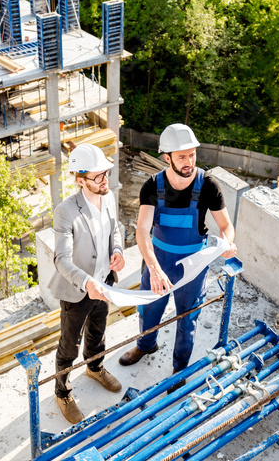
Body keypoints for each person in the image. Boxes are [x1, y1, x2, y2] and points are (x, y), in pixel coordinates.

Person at [120, 124, 237, 376]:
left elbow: (226, 226)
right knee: (149, 309)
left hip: (194, 265)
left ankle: (179, 369)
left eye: (192, 154)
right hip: (159, 260)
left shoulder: (208, 185)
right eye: (182, 156)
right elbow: (142, 231)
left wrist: (228, 243)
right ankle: (145, 346)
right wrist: (153, 269)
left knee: (187, 320)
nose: (189, 162)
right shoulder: (152, 186)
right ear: (167, 157)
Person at [47, 144, 126, 424]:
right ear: (80, 180)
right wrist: (86, 281)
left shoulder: (109, 197)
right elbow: (61, 259)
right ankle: (63, 391)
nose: (105, 181)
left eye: (106, 173)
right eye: (98, 177)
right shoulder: (66, 211)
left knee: (98, 331)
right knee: (69, 345)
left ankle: (95, 367)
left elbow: (115, 229)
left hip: (104, 283)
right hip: (77, 291)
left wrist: (118, 251)